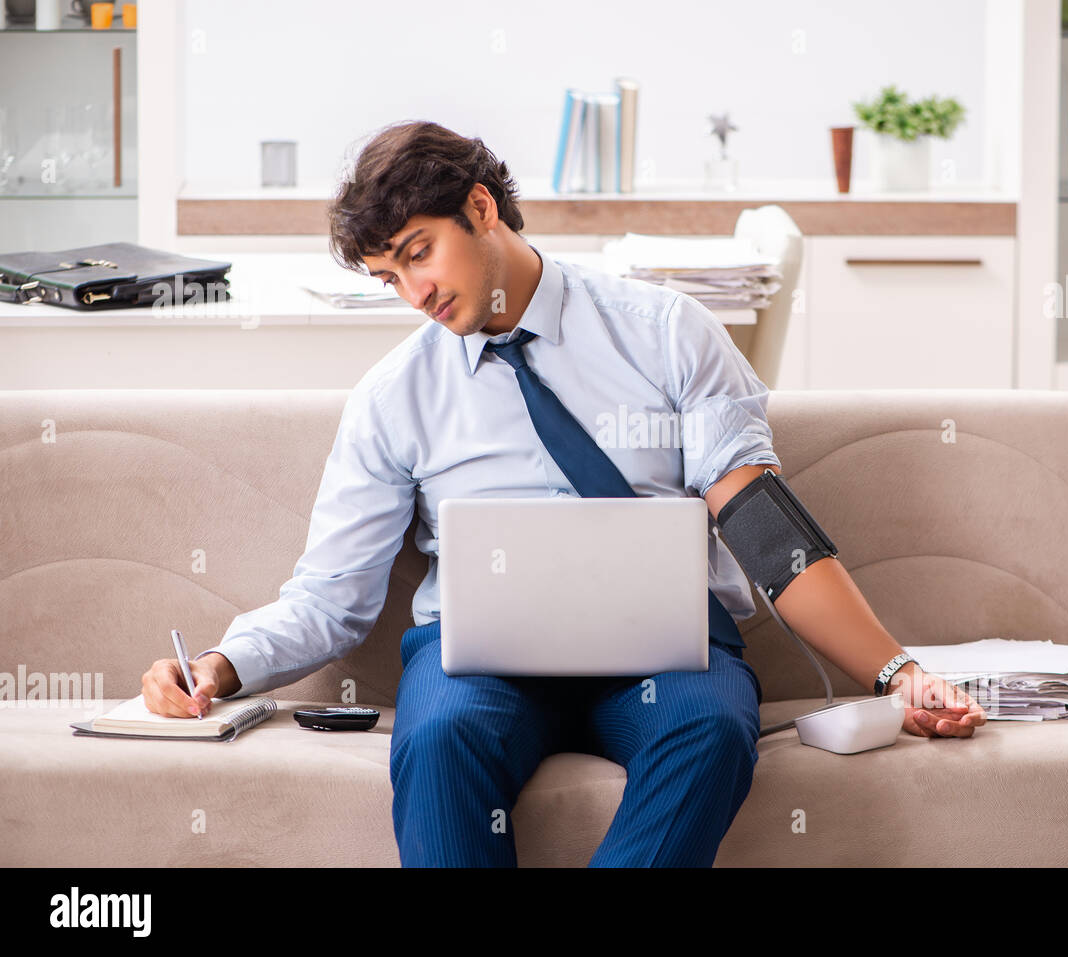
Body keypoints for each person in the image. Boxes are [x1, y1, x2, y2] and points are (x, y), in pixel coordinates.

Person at [140, 121, 985, 867]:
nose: (415, 294)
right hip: (481, 664)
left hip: (663, 652)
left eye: (418, 252)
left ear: (480, 207)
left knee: (710, 731)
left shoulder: (665, 331)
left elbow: (761, 526)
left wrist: (898, 670)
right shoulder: (394, 396)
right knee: (437, 735)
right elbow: (333, 595)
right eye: (388, 276)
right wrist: (220, 663)